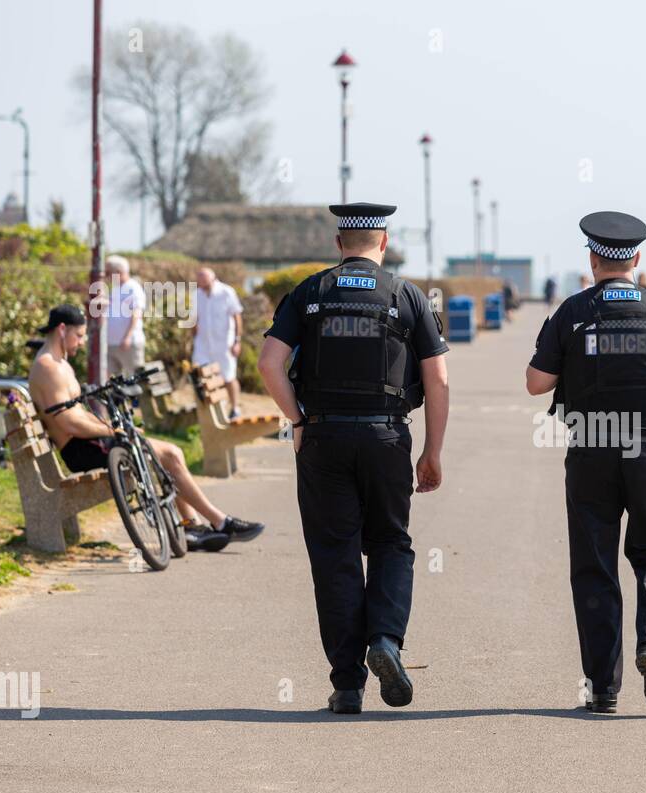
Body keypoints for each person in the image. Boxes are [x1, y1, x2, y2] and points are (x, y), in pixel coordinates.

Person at [525, 211, 646, 714]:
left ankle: (602, 688)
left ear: (593, 260)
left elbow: (535, 383)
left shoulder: (573, 311)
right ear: (636, 260)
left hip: (591, 451)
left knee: (594, 567)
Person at [257, 202, 450, 716]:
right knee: (390, 542)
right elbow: (439, 380)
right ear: (382, 244)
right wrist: (432, 451)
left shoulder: (310, 292)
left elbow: (269, 362)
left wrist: (297, 421)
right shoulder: (406, 296)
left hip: (323, 441)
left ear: (339, 244)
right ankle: (385, 640)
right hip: (387, 438)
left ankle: (347, 686)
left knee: (335, 556)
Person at [28, 304, 265, 552]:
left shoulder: (60, 364)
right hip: (82, 449)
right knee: (171, 454)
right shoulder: (48, 367)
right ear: (62, 330)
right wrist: (113, 431)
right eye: (79, 335)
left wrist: (112, 427)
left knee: (173, 452)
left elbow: (77, 415)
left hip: (89, 441)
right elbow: (68, 422)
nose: (82, 342)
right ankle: (220, 522)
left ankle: (190, 525)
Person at [191, 266, 244, 420]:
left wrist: (237, 341)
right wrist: (193, 339)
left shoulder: (226, 292)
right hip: (203, 344)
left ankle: (235, 408)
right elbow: (194, 319)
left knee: (228, 377)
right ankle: (210, 411)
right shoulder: (196, 294)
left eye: (204, 280)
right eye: (199, 280)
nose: (201, 283)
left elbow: (237, 316)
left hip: (224, 344)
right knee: (201, 376)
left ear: (212, 278)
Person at [102, 255, 145, 378]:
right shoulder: (115, 289)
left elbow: (136, 314)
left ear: (119, 272)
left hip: (128, 344)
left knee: (134, 379)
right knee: (107, 380)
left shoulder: (133, 288)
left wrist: (127, 337)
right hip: (112, 343)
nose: (106, 276)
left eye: (108, 272)